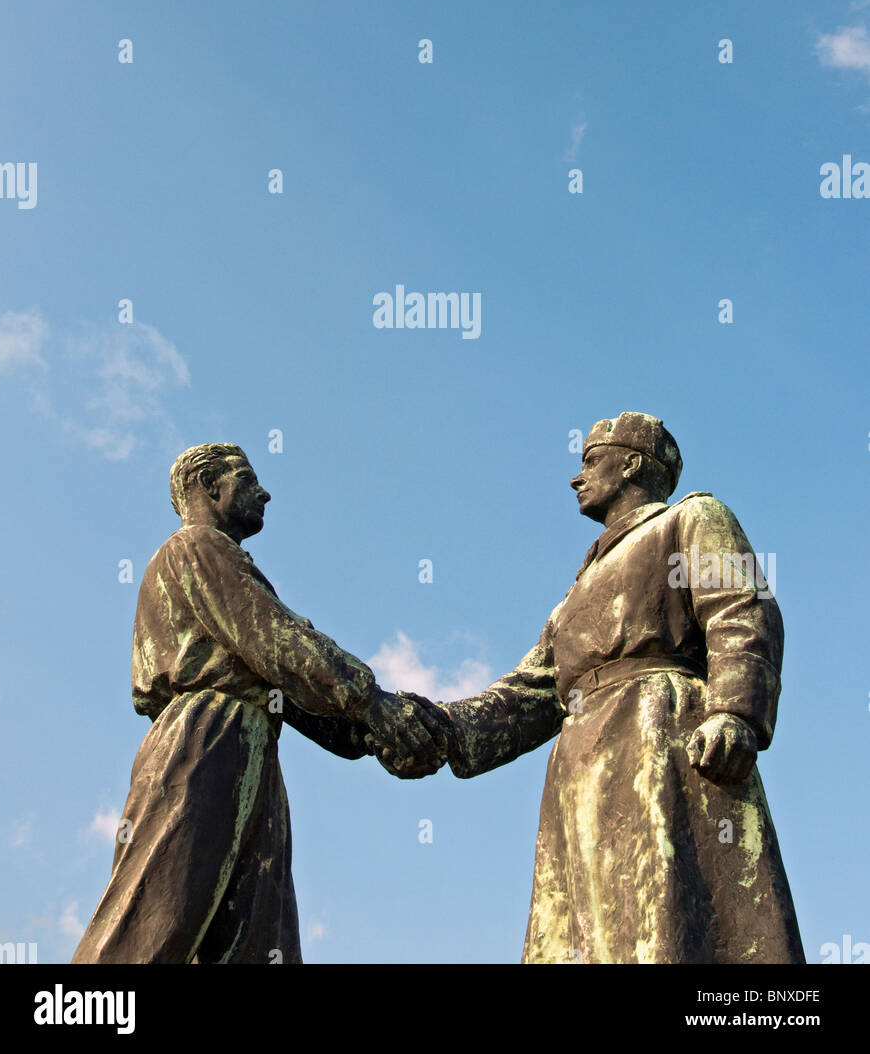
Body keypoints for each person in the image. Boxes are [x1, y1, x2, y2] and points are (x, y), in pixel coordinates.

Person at [394, 412, 805, 964]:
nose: (575, 477)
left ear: (632, 462)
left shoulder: (689, 519)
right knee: (586, 935)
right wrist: (436, 729)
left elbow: (740, 609)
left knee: (666, 919)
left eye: (590, 461)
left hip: (658, 737)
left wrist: (734, 712)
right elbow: (530, 690)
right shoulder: (576, 591)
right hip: (579, 769)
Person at [72, 442, 445, 965]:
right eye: (247, 479)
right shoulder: (197, 548)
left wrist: (371, 731)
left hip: (249, 740)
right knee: (155, 913)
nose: (264, 492)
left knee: (260, 935)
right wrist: (372, 703)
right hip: (204, 739)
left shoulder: (218, 558)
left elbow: (285, 682)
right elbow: (277, 639)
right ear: (208, 485)